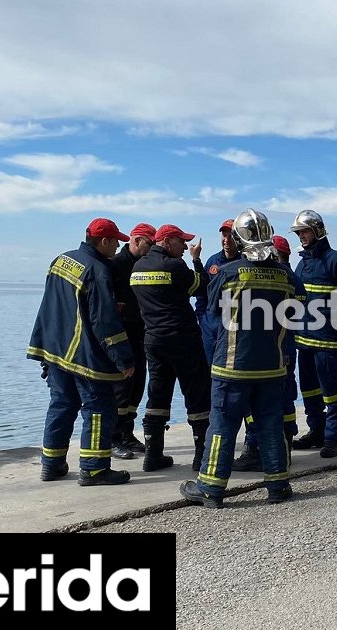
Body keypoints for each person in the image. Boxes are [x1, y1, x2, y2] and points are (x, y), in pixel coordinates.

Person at [180, 209, 302, 508]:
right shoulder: (287, 276)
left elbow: (214, 312)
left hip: (232, 366)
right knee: (271, 424)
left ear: (238, 239)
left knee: (222, 426)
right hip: (272, 366)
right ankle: (278, 485)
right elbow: (298, 310)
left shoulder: (227, 273)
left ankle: (210, 488)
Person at [27, 217, 135, 486]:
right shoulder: (97, 270)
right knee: (100, 408)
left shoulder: (61, 260)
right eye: (115, 243)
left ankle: (51, 464)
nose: (116, 249)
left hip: (55, 350)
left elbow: (52, 306)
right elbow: (104, 320)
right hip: (83, 355)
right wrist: (123, 358)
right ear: (104, 241)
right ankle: (94, 469)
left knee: (62, 406)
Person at [131, 224, 211, 472]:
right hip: (182, 339)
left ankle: (153, 456)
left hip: (153, 341)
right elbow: (202, 286)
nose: (186, 247)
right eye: (181, 242)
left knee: (157, 395)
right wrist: (197, 262)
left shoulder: (138, 267)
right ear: (166, 242)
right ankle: (201, 458)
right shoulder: (175, 266)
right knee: (197, 395)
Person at [290, 209, 337, 458]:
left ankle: (333, 438)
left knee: (332, 392)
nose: (301, 236)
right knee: (309, 391)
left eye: (305, 231)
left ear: (318, 231)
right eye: (299, 232)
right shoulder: (302, 263)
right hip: (304, 343)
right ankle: (316, 432)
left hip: (329, 343)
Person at [231, 234, 303, 472]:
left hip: (269, 349)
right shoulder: (288, 277)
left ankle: (274, 451)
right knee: (280, 399)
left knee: (272, 403)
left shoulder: (279, 274)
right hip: (280, 346)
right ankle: (279, 452)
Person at [109, 222, 157, 459]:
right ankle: (113, 438)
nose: (152, 249)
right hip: (121, 336)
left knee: (137, 387)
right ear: (137, 241)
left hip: (141, 334)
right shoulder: (115, 266)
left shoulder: (144, 266)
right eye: (150, 243)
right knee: (120, 388)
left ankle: (127, 433)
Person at [195, 219, 241, 364]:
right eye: (224, 235)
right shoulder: (212, 262)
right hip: (210, 328)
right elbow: (202, 294)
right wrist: (202, 319)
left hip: (235, 328)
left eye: (231, 236)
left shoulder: (245, 262)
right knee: (209, 370)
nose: (226, 240)